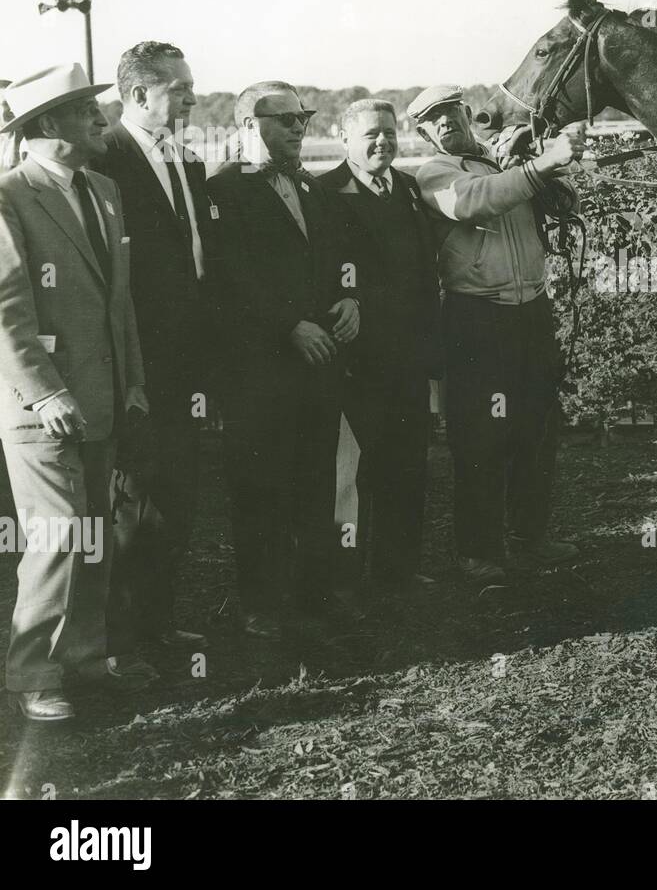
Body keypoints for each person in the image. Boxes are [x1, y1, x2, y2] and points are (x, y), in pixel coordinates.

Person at [0, 64, 154, 721]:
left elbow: (121, 305)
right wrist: (42, 394)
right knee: (59, 530)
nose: (100, 118)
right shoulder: (9, 196)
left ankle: (84, 658)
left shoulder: (106, 189)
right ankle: (33, 673)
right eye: (85, 110)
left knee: (93, 531)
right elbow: (6, 307)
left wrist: (136, 383)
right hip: (44, 407)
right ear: (46, 125)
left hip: (106, 394)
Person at [206, 81, 361, 638]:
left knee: (315, 483)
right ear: (249, 125)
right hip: (260, 374)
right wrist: (287, 325)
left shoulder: (312, 188)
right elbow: (227, 282)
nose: (300, 127)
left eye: (304, 117)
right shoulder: (222, 190)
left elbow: (339, 260)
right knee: (260, 487)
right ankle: (262, 606)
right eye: (286, 119)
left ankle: (316, 595)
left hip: (317, 370)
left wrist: (350, 298)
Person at [411, 86, 578, 584]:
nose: (442, 124)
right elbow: (472, 204)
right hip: (475, 318)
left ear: (466, 114)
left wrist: (539, 165)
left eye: (448, 113)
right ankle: (477, 551)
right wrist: (535, 167)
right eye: (430, 122)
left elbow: (564, 204)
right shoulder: (436, 174)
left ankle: (530, 538)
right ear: (423, 134)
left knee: (537, 430)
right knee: (480, 436)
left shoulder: (502, 162)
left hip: (531, 311)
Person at [96, 41, 211, 652]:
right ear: (139, 94)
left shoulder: (186, 161)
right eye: (179, 87)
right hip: (135, 365)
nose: (192, 96)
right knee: (130, 504)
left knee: (175, 498)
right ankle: (120, 639)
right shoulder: (104, 161)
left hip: (187, 364)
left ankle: (157, 625)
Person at [319, 98, 442, 599]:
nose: (381, 142)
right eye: (370, 134)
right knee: (349, 477)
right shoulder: (323, 192)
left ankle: (398, 572)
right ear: (344, 138)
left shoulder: (409, 189)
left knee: (407, 465)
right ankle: (346, 579)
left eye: (389, 133)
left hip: (408, 358)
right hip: (355, 364)